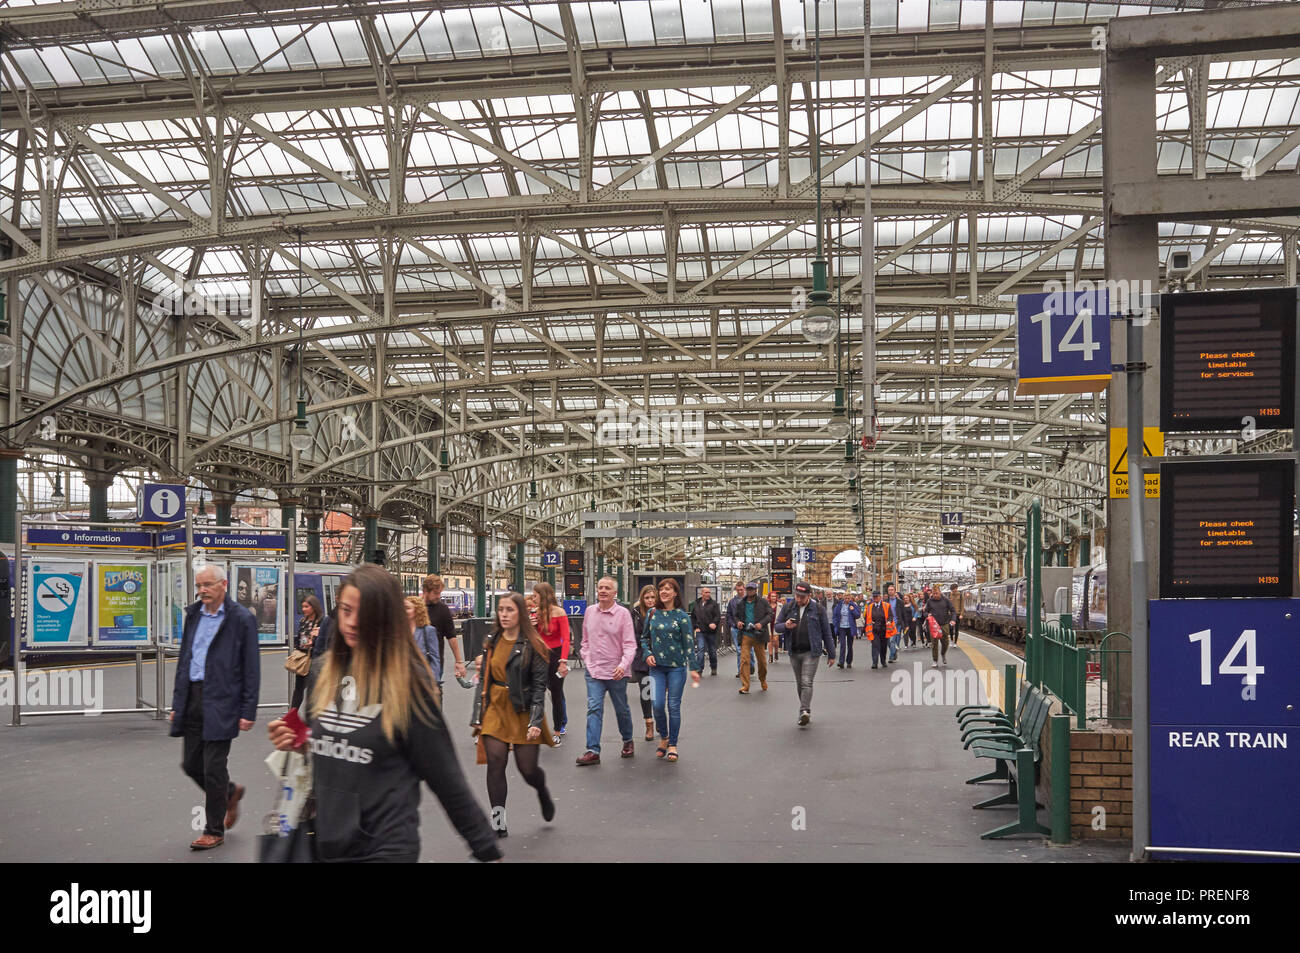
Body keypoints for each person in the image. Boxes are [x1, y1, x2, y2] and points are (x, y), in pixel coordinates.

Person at [268, 564, 500, 862]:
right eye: (346, 610)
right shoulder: (325, 671)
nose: (351, 622)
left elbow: (446, 777)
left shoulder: (406, 682)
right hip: (327, 842)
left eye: (363, 613)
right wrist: (297, 742)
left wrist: (487, 850)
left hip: (385, 846)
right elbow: (324, 747)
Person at [170, 564, 260, 851]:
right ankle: (231, 793)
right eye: (199, 586)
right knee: (191, 765)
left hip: (223, 700)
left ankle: (213, 830)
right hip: (193, 697)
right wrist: (177, 703)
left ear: (224, 584)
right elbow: (185, 660)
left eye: (207, 585)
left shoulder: (241, 619)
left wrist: (248, 710)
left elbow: (251, 668)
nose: (202, 591)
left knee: (213, 768)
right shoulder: (193, 615)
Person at [470, 592, 555, 838]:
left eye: (509, 610)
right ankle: (498, 820)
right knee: (495, 762)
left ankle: (541, 790)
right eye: (501, 610)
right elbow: (483, 680)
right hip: (496, 706)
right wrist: (478, 714)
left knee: (527, 769)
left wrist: (536, 721)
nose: (504, 615)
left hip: (523, 708)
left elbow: (539, 687)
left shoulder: (534, 644)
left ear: (521, 613)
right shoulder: (492, 640)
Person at [576, 577, 637, 766]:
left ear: (615, 593)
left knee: (621, 709)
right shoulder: (589, 612)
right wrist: (586, 658)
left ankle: (627, 739)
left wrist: (623, 665)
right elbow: (585, 641)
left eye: (607, 588)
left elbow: (629, 644)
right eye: (600, 587)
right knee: (594, 708)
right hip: (594, 671)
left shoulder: (623, 614)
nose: (603, 591)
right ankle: (592, 750)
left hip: (616, 672)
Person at [641, 578, 701, 762]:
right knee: (657, 705)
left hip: (676, 668)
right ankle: (664, 737)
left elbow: (689, 643)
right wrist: (647, 653)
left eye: (668, 589)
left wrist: (694, 668)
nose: (664, 592)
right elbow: (644, 638)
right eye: (661, 589)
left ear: (676, 593)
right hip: (656, 668)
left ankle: (673, 744)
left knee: (673, 706)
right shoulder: (652, 613)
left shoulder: (682, 616)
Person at [774, 581, 835, 726]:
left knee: (807, 682)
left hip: (811, 651)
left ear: (808, 596)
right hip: (794, 650)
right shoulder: (788, 607)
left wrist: (831, 654)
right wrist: (786, 626)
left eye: (802, 597)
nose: (799, 599)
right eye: (797, 596)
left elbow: (826, 632)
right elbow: (777, 626)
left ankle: (804, 711)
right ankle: (804, 709)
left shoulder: (818, 609)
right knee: (800, 683)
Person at [531, 582, 571, 745]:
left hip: (555, 656)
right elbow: (531, 638)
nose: (533, 599)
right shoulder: (535, 614)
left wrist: (563, 661)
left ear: (543, 595)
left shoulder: (559, 612)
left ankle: (557, 730)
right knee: (537, 692)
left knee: (556, 692)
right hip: (539, 655)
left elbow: (566, 639)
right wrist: (531, 627)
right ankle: (534, 726)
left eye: (535, 596)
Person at [422, 574, 467, 691]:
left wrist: (458, 661)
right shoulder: (414, 607)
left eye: (440, 593)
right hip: (415, 663)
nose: (439, 596)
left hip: (435, 663)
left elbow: (451, 636)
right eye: (436, 593)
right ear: (425, 591)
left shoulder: (443, 609)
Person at [630, 585, 658, 740]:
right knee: (646, 691)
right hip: (641, 657)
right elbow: (632, 634)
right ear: (642, 599)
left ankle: (659, 717)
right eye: (647, 598)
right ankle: (649, 723)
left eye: (653, 597)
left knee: (658, 692)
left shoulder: (662, 612)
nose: (650, 600)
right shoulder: (634, 613)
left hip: (659, 657)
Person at [735, 582, 771, 694]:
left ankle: (763, 680)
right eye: (749, 589)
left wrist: (761, 623)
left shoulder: (763, 602)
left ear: (756, 590)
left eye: (752, 589)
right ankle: (745, 685)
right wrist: (738, 622)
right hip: (745, 634)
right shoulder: (741, 603)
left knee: (762, 661)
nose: (750, 591)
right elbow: (735, 616)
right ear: (746, 590)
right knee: (744, 660)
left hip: (758, 634)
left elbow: (769, 615)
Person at [291, 595, 323, 711]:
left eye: (306, 606)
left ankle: (314, 716)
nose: (303, 609)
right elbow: (299, 637)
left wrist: (314, 640)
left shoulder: (321, 622)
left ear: (314, 607)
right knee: (298, 688)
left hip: (314, 659)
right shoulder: (303, 621)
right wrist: (298, 647)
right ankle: (292, 714)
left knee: (313, 689)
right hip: (303, 659)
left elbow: (324, 641)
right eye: (302, 607)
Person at [405, 596, 441, 684]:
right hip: (403, 680)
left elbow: (434, 657)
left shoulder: (428, 630)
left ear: (417, 610)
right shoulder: (398, 630)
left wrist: (434, 682)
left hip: (422, 680)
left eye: (408, 608)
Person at [690, 586, 721, 676]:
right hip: (700, 631)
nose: (708, 594)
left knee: (712, 651)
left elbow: (717, 616)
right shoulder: (696, 603)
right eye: (706, 592)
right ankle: (699, 669)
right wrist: (695, 627)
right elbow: (693, 617)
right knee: (700, 649)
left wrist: (714, 623)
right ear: (702, 593)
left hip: (711, 631)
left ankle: (714, 667)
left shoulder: (713, 604)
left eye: (709, 592)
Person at [926, 584, 956, 667]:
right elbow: (925, 611)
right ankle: (935, 660)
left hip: (944, 625)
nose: (935, 595)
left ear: (940, 592)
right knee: (934, 644)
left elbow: (953, 610)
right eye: (934, 593)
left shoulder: (946, 600)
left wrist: (953, 620)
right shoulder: (930, 601)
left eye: (937, 593)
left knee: (945, 643)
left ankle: (943, 654)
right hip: (934, 626)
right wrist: (927, 615)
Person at [724, 581, 747, 677]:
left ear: (744, 589)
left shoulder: (749, 600)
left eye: (741, 589)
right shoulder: (732, 601)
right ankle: (740, 671)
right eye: (738, 590)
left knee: (749, 650)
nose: (740, 591)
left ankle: (751, 666)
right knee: (739, 650)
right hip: (736, 628)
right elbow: (728, 614)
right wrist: (733, 624)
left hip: (747, 628)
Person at [866, 590, 894, 669]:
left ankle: (883, 661)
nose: (875, 598)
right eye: (874, 597)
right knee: (875, 646)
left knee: (883, 646)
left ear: (880, 597)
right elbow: (867, 618)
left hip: (884, 629)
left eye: (877, 597)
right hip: (874, 629)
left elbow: (890, 616)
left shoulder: (886, 605)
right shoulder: (870, 606)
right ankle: (874, 662)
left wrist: (889, 621)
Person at [832, 593, 859, 669]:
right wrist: (835, 623)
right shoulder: (839, 605)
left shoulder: (853, 605)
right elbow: (835, 615)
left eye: (848, 598)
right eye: (846, 597)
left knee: (850, 646)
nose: (847, 599)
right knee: (842, 645)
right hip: (841, 627)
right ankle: (841, 662)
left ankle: (849, 661)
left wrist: (853, 610)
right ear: (844, 598)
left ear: (850, 598)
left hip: (850, 628)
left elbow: (858, 616)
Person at [885, 583, 904, 662]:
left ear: (895, 591)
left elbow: (903, 613)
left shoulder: (900, 602)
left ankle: (891, 656)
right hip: (889, 623)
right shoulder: (885, 601)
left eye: (892, 590)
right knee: (889, 641)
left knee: (894, 640)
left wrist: (905, 624)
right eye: (889, 590)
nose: (890, 591)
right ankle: (894, 652)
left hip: (897, 623)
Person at [766, 590, 782, 663]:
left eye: (775, 596)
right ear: (770, 597)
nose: (774, 598)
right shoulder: (766, 605)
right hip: (768, 624)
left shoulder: (780, 605)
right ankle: (770, 656)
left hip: (776, 623)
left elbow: (782, 615)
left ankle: (776, 652)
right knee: (769, 640)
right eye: (772, 596)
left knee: (775, 640)